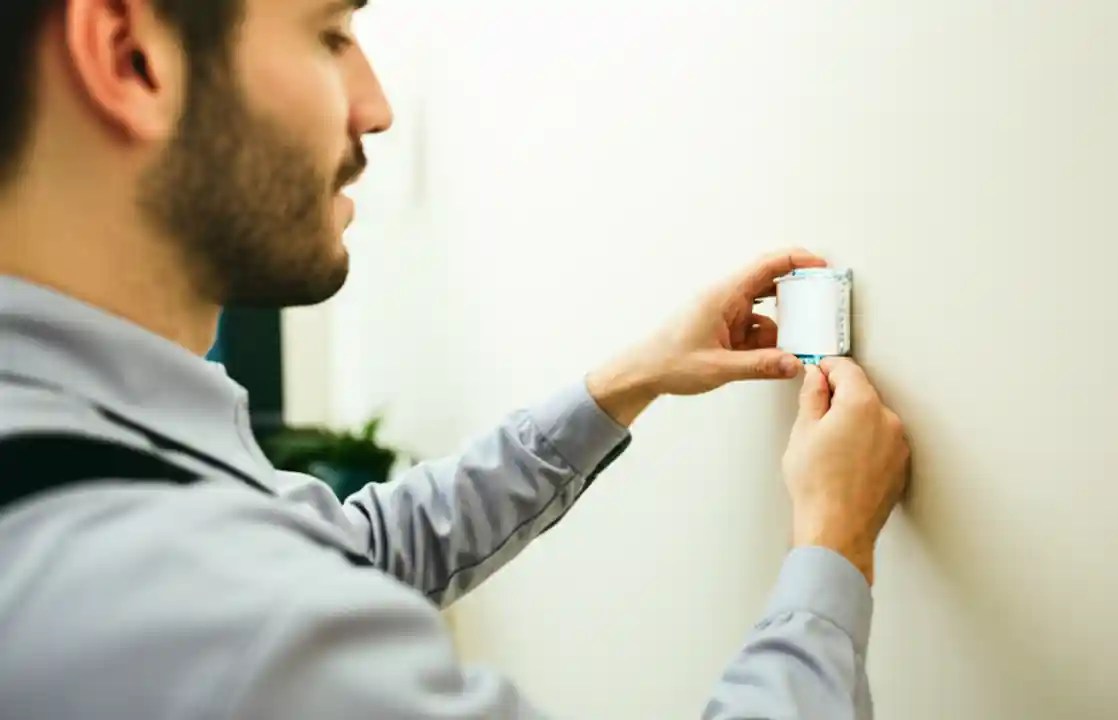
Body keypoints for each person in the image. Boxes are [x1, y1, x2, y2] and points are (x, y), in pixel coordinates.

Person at [0, 0, 910, 718]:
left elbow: (354, 549)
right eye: (330, 35)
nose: (379, 107)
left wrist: (628, 380)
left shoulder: (67, 440)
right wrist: (832, 549)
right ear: (130, 56)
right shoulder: (194, 619)